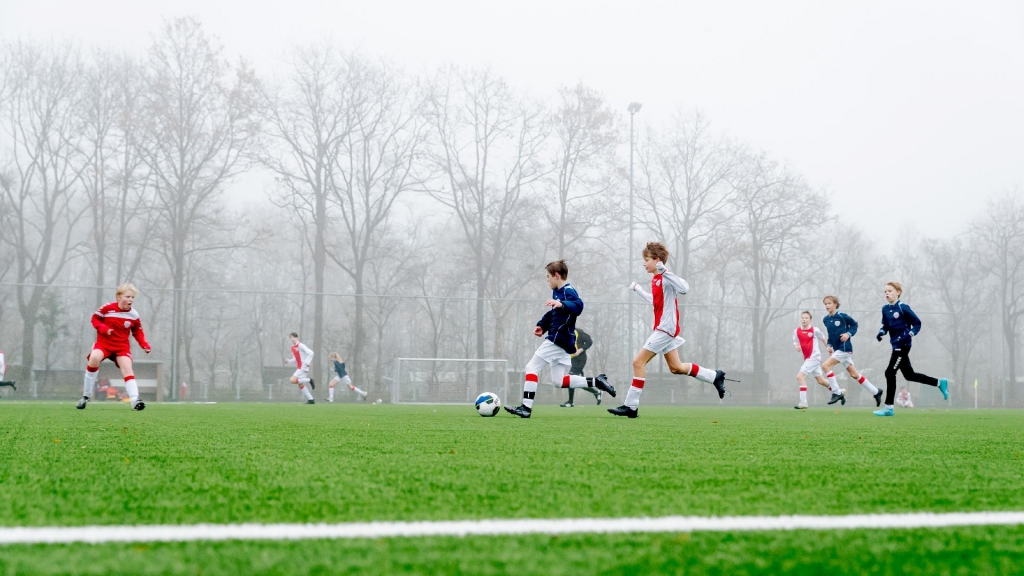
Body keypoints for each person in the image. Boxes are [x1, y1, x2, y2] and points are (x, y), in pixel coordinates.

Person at [609, 242, 728, 419]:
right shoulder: (656, 279)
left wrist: (663, 270)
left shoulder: (665, 276)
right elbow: (656, 301)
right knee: (676, 367)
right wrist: (638, 289)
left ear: (657, 260)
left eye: (647, 260)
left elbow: (685, 288)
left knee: (637, 363)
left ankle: (631, 406)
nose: (644, 263)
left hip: (665, 330)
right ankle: (714, 376)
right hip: (663, 329)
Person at [505, 260, 615, 418]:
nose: (547, 280)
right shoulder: (557, 291)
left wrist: (562, 303)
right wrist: (542, 326)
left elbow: (578, 306)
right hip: (564, 341)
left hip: (558, 339)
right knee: (558, 381)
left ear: (557, 276)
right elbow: (554, 314)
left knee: (531, 368)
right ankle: (596, 382)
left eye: (548, 276)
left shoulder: (568, 291)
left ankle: (526, 408)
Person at [873, 281, 949, 417]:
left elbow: (917, 323)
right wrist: (881, 332)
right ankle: (939, 383)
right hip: (895, 345)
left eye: (890, 291)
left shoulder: (903, 308)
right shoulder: (885, 309)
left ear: (898, 292)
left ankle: (889, 407)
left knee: (889, 373)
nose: (887, 293)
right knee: (909, 375)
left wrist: (910, 334)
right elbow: (885, 325)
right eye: (885, 291)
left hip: (903, 346)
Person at [76, 283, 151, 411]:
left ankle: (134, 400)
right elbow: (95, 319)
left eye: (132, 297)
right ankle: (86, 396)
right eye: (128, 297)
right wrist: (104, 329)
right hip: (104, 343)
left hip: (121, 347)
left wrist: (144, 344)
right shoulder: (107, 309)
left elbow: (138, 332)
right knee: (94, 358)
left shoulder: (134, 315)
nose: (131, 300)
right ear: (118, 297)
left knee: (127, 368)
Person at [820, 295, 883, 408]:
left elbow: (854, 325)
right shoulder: (826, 320)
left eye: (829, 303)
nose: (827, 305)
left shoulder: (842, 316)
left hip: (844, 348)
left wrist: (848, 334)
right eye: (825, 304)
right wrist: (829, 345)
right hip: (837, 350)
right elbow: (831, 335)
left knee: (825, 366)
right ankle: (876, 391)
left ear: (835, 304)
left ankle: (836, 392)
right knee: (854, 374)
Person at [792, 311, 842, 409]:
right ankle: (839, 392)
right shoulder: (796, 331)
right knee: (821, 381)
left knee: (800, 376)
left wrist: (828, 348)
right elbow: (795, 341)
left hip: (814, 357)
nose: (804, 320)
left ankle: (803, 402)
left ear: (810, 320)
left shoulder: (814, 330)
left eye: (806, 318)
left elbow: (823, 339)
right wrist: (796, 346)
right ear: (800, 319)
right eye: (802, 318)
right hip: (807, 358)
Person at [560, 328, 601, 407]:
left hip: (580, 360)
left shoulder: (579, 332)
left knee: (571, 379)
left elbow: (589, 341)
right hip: (573, 360)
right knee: (577, 382)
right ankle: (596, 392)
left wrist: (580, 350)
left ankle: (570, 402)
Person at [285, 332, 316, 404]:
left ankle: (310, 380)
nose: (292, 339)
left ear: (297, 338)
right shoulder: (292, 348)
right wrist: (288, 361)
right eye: (291, 337)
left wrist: (307, 362)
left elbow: (311, 353)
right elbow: (295, 359)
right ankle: (311, 400)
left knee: (292, 380)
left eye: (293, 337)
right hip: (300, 367)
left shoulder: (301, 345)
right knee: (301, 384)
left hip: (303, 367)